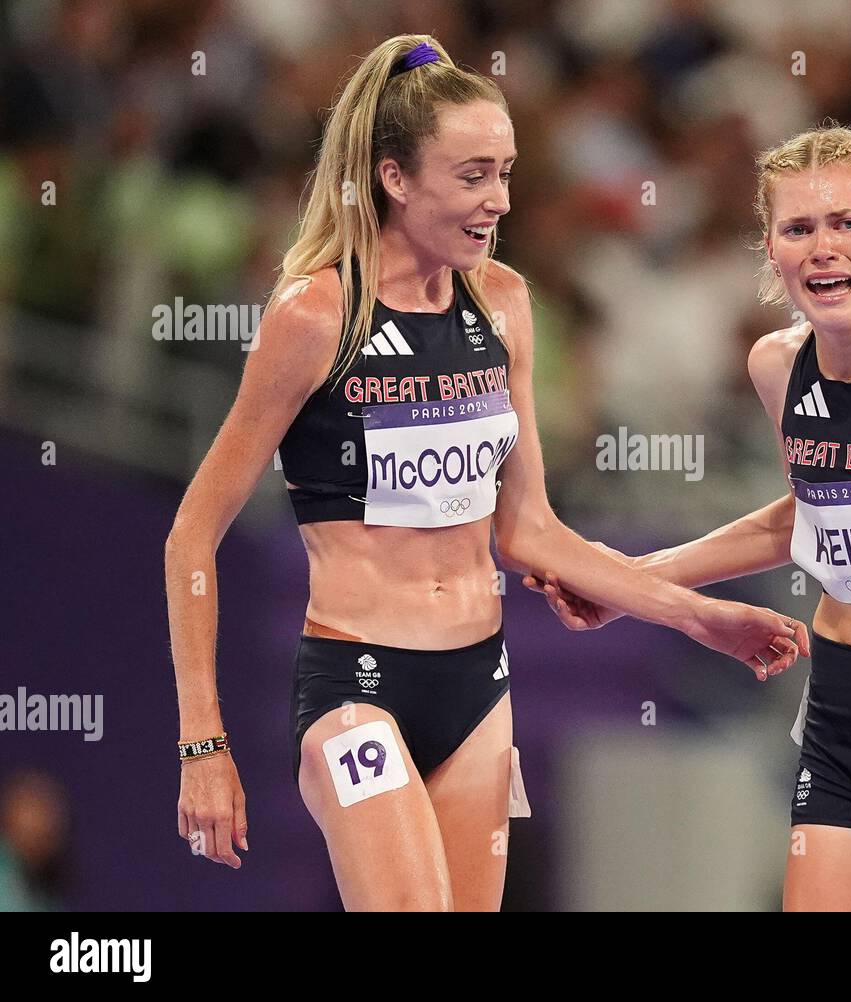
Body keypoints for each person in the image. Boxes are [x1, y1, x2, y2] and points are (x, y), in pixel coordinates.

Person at [163, 34, 807, 912]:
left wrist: (700, 617)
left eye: (505, 173)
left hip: (478, 688)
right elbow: (192, 533)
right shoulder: (316, 313)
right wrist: (203, 743)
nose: (497, 201)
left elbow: (530, 530)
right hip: (358, 689)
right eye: (471, 176)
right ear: (394, 178)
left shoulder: (501, 302)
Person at [526, 123, 851, 911]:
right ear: (770, 248)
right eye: (799, 228)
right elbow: (805, 514)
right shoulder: (776, 366)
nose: (823, 247)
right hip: (848, 710)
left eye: (845, 224)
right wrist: (628, 579)